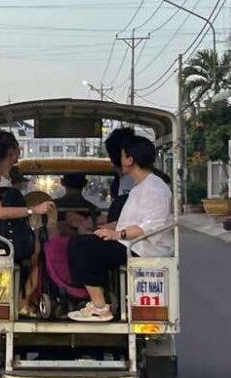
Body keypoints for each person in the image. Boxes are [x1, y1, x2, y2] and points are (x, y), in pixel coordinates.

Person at [67, 134, 173, 322]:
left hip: (143, 248)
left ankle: (100, 308)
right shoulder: (140, 186)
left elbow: (151, 226)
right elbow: (128, 221)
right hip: (132, 243)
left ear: (130, 160)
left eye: (123, 155)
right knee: (85, 242)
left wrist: (117, 234)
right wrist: (101, 230)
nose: (119, 160)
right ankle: (103, 300)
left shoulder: (155, 188)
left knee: (80, 247)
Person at [0, 131, 55, 313]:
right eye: (18, 149)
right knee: (41, 258)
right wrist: (33, 210)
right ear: (11, 152)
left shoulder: (5, 180)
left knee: (43, 255)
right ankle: (20, 304)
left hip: (8, 239)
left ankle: (25, 302)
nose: (20, 153)